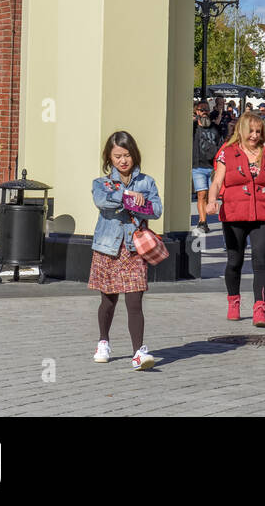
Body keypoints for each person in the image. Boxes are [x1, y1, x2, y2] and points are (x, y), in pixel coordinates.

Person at [89, 130, 162, 370]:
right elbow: (102, 202)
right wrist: (127, 196)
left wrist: (137, 204)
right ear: (109, 158)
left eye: (127, 155)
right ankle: (103, 342)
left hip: (134, 249)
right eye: (118, 156)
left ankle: (139, 352)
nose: (123, 160)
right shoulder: (101, 183)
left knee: (135, 302)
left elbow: (156, 210)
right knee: (108, 301)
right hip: (108, 248)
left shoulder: (146, 182)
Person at [207, 112, 265, 327]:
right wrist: (212, 200)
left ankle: (260, 309)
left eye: (259, 132)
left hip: (262, 213)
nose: (255, 136)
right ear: (242, 130)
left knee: (260, 261)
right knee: (234, 261)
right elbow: (217, 181)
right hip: (234, 212)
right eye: (251, 131)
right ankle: (234, 301)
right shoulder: (227, 153)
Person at [192, 100, 220, 236]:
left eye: (206, 109)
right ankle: (202, 221)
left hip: (213, 166)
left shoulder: (215, 127)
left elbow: (220, 144)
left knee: (211, 196)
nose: (204, 112)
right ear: (196, 112)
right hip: (198, 166)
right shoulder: (193, 128)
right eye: (201, 109)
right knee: (201, 194)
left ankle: (205, 219)